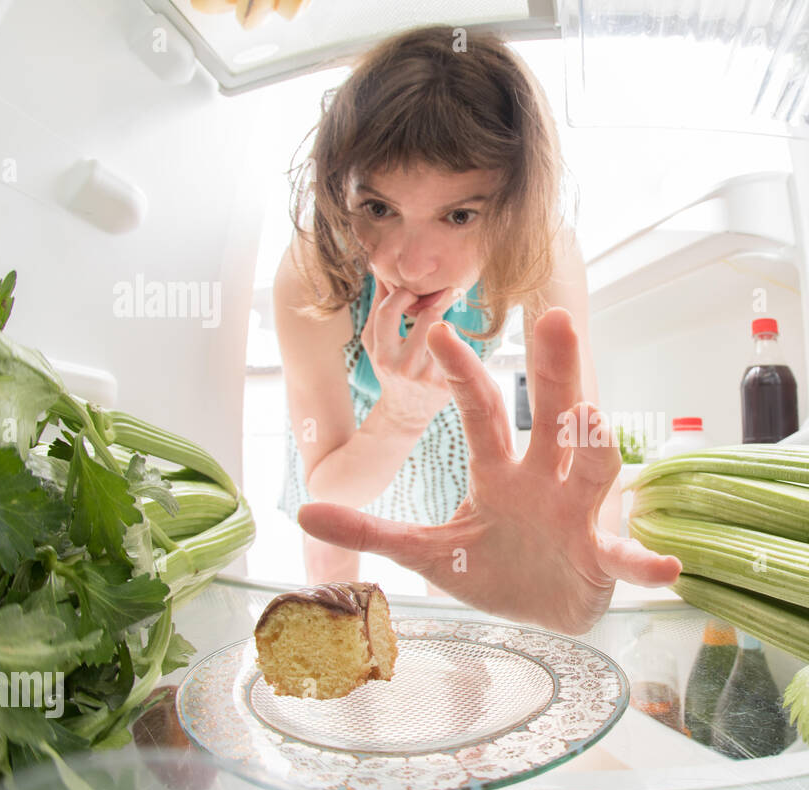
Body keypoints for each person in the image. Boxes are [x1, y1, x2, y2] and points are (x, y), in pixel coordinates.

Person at [274, 25, 681, 635]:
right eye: (379, 208)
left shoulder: (540, 246)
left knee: (467, 583)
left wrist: (582, 541)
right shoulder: (315, 266)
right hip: (351, 446)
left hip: (454, 445)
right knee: (335, 574)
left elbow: (574, 432)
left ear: (513, 206)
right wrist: (401, 413)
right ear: (340, 191)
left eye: (458, 215)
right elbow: (329, 486)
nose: (411, 263)